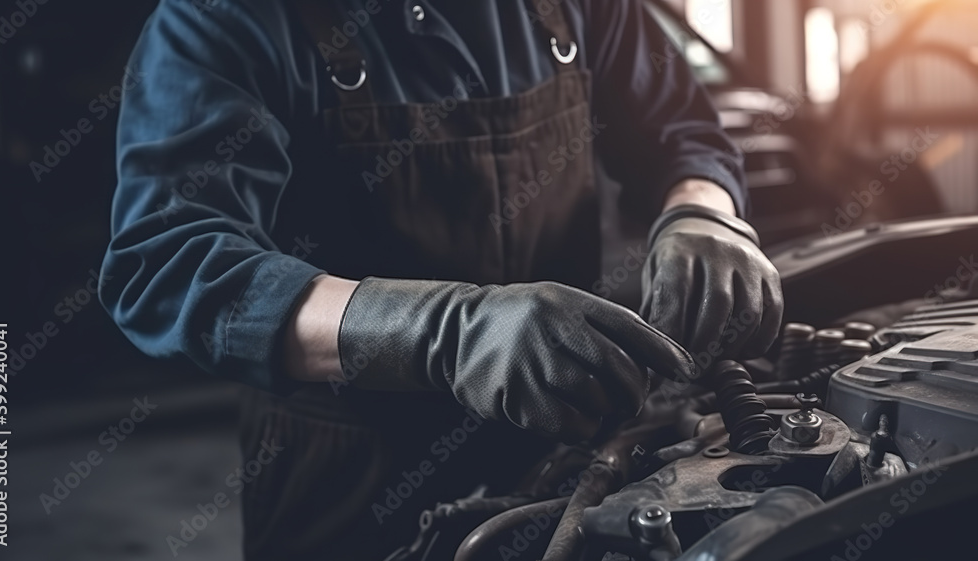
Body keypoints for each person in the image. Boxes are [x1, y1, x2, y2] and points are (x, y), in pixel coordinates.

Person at [99, 0, 783, 558]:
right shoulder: (222, 20)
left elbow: (681, 131)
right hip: (348, 472)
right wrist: (444, 331)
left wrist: (702, 211)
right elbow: (170, 262)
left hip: (564, 423)